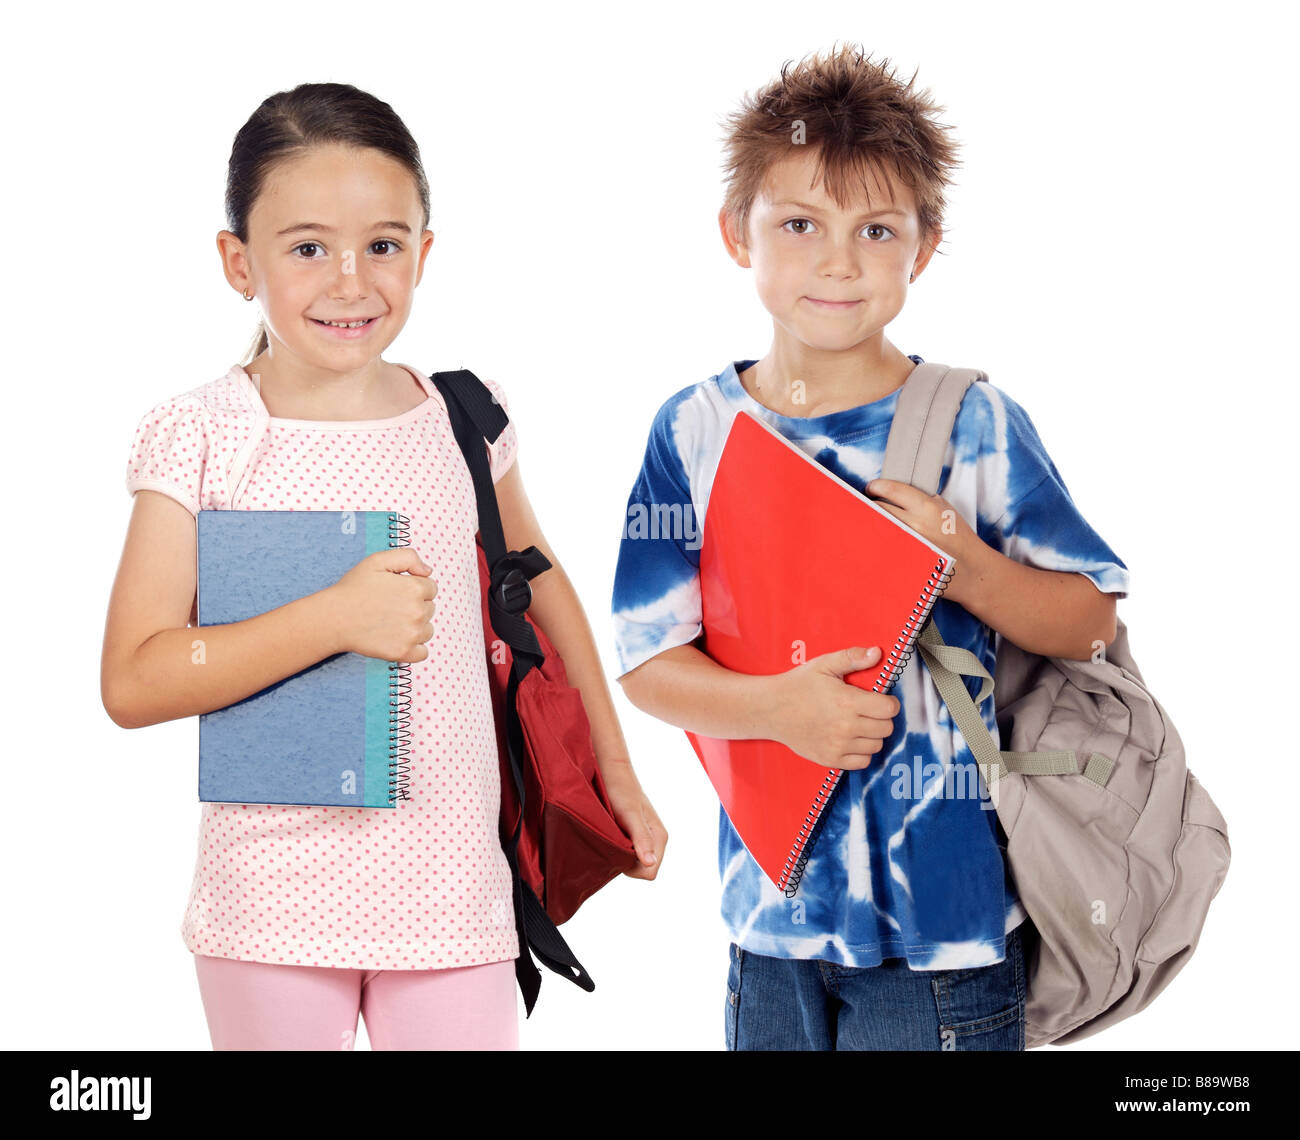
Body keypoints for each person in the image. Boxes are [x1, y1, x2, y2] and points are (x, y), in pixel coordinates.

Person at [100, 81, 666, 1051]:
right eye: (308, 246)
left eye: (384, 244)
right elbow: (136, 677)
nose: (352, 280)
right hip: (270, 904)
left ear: (425, 252)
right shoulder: (202, 433)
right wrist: (336, 619)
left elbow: (536, 579)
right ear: (239, 262)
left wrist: (617, 770)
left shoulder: (461, 414)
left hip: (454, 889)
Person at [611, 45, 1128, 1051]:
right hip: (769, 927)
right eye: (799, 224)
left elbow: (1089, 619)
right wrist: (776, 712)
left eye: (876, 229)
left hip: (945, 941)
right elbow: (648, 661)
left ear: (922, 249)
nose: (837, 260)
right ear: (736, 235)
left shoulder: (973, 420)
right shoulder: (694, 432)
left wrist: (960, 559)